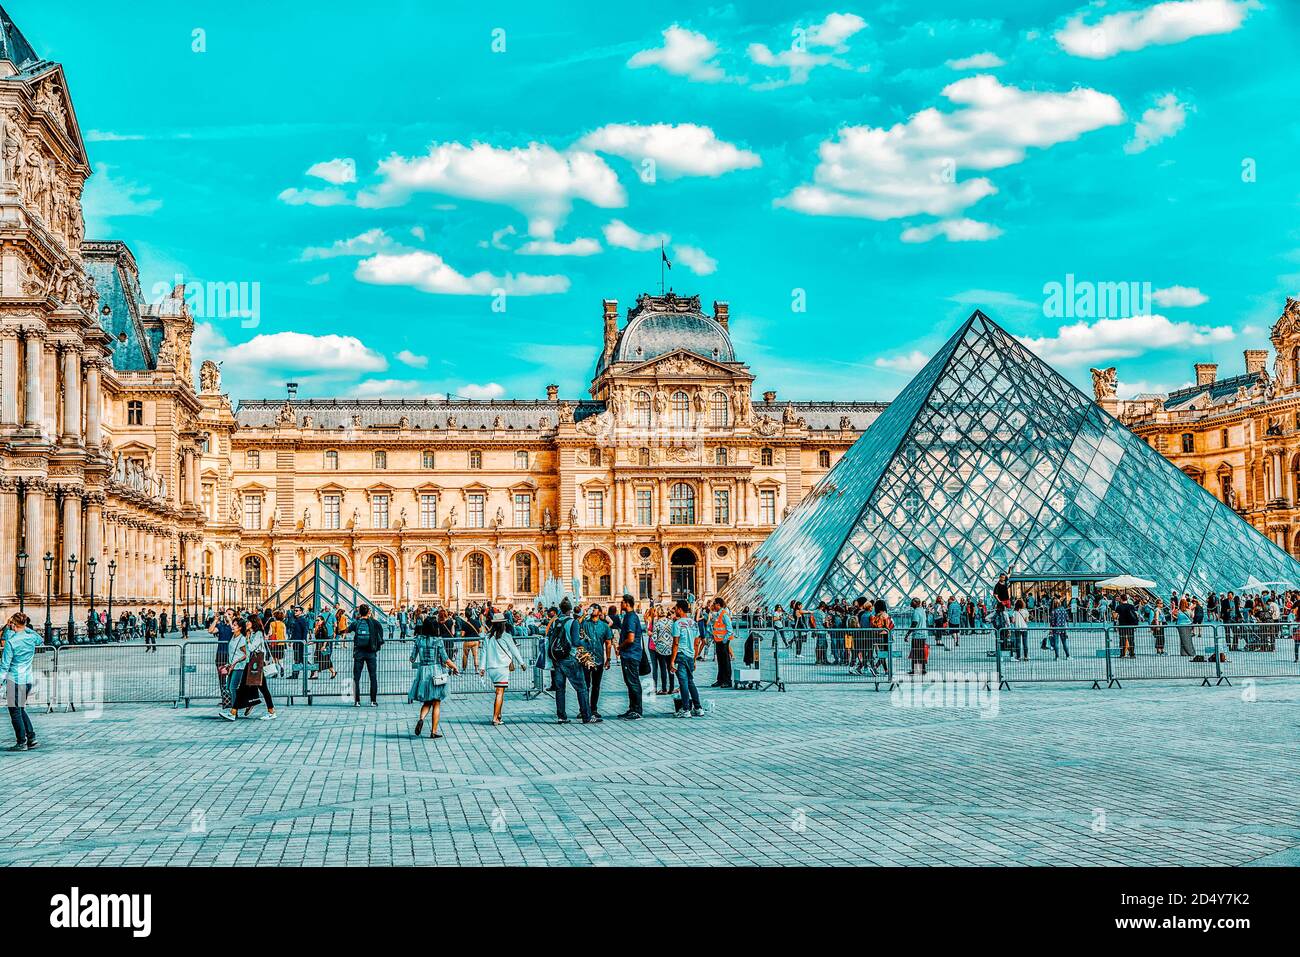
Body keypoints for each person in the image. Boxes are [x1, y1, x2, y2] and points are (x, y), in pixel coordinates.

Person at [549, 599, 594, 724]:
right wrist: (585, 641)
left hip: (557, 659)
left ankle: (561, 716)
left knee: (560, 689)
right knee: (581, 687)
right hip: (569, 658)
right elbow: (575, 642)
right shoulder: (573, 622)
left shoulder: (555, 622)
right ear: (570, 610)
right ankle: (587, 716)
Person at [409, 626, 459, 738]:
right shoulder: (438, 640)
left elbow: (412, 658)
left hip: (423, 673)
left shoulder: (419, 640)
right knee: (436, 702)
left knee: (427, 701)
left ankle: (421, 719)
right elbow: (446, 658)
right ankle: (434, 731)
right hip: (436, 672)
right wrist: (454, 667)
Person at [2, 613, 40, 751]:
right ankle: (31, 738)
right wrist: (25, 628)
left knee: (15, 712)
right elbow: (40, 639)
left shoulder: (11, 642)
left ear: (13, 624)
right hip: (28, 679)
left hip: (14, 679)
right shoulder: (31, 638)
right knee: (20, 709)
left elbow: (5, 665)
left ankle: (21, 742)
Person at [481, 612, 524, 726]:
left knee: (500, 691)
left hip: (491, 668)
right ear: (503, 624)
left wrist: (482, 668)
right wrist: (522, 663)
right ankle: (495, 717)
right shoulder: (506, 636)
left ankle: (499, 715)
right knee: (499, 692)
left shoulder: (488, 637)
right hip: (502, 668)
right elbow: (514, 650)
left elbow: (483, 653)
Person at [343, 604, 384, 707]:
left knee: (356, 678)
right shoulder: (375, 623)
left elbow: (346, 631)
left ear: (359, 612)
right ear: (369, 612)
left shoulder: (356, 623)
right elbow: (381, 635)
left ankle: (357, 701)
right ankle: (373, 701)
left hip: (359, 653)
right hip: (371, 652)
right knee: (373, 677)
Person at [578, 604, 613, 720]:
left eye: (595, 608)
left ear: (600, 612)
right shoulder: (585, 623)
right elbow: (576, 625)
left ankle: (593, 709)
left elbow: (608, 643)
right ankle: (584, 709)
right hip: (586, 659)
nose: (593, 609)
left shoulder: (604, 626)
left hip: (598, 659)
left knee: (596, 686)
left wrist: (608, 659)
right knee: (585, 685)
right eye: (592, 608)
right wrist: (584, 614)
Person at [669, 599, 703, 717]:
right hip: (690, 655)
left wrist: (672, 661)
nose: (675, 610)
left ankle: (686, 709)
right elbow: (697, 642)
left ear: (679, 609)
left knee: (683, 682)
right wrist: (694, 659)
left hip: (681, 655)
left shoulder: (677, 624)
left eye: (676, 608)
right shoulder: (694, 623)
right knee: (690, 681)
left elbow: (676, 644)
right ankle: (698, 708)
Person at [616, 594, 645, 720]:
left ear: (627, 603)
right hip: (631, 654)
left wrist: (620, 646)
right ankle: (632, 708)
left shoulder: (631, 617)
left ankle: (637, 710)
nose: (620, 604)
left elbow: (631, 638)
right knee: (630, 682)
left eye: (622, 602)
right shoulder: (629, 616)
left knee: (633, 682)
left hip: (631, 654)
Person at [208, 608, 236, 710]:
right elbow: (210, 631)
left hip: (230, 655)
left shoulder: (234, 627)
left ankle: (231, 698)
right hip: (220, 654)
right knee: (221, 678)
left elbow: (234, 631)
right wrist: (215, 620)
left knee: (230, 678)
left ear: (233, 616)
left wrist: (229, 620)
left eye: (229, 614)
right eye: (226, 614)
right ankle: (225, 699)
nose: (226, 615)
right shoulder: (221, 626)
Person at [649, 604, 676, 697]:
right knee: (670, 668)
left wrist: (658, 644)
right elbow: (674, 634)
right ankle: (671, 688)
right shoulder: (671, 622)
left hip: (660, 649)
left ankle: (664, 688)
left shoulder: (657, 623)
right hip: (670, 647)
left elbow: (654, 637)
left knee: (663, 668)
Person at [709, 598, 734, 689]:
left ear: (718, 605)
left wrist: (724, 640)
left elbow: (729, 629)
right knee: (720, 661)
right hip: (718, 641)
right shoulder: (718, 614)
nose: (713, 606)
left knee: (726, 661)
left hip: (723, 641)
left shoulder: (724, 615)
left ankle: (727, 681)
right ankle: (720, 680)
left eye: (714, 604)